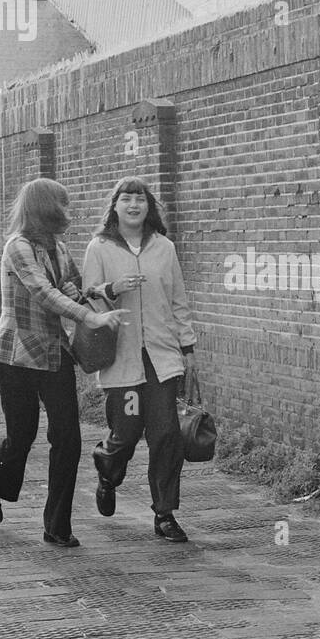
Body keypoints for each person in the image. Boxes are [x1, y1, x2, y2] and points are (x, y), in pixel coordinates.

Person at [0, 179, 126, 547]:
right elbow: (43, 293)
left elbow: (73, 284)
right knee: (21, 437)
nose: (68, 212)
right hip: (16, 356)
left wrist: (103, 292)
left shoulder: (56, 247)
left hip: (55, 353)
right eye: (63, 205)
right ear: (45, 208)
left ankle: (57, 525)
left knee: (68, 439)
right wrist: (88, 318)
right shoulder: (17, 246)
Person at [82, 177, 196, 544]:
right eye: (126, 199)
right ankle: (107, 469)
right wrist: (113, 290)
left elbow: (178, 300)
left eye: (141, 199)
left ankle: (164, 513)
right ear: (114, 206)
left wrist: (188, 349)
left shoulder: (164, 247)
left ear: (150, 207)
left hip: (161, 357)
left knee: (166, 434)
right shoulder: (99, 248)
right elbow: (87, 300)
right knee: (127, 432)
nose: (134, 205)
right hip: (121, 358)